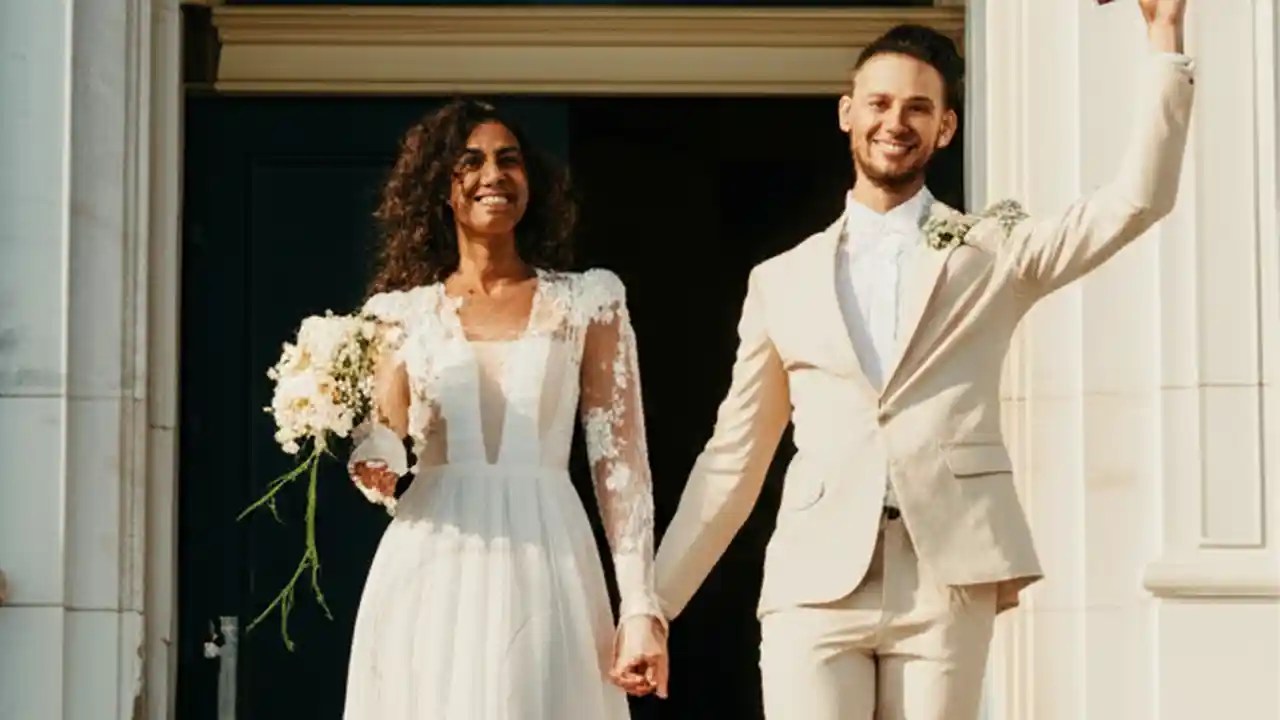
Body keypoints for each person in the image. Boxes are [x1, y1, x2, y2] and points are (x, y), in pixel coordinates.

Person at [653, 2, 1193, 718]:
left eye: (917, 107)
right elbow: (734, 458)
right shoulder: (780, 279)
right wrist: (652, 605)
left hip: (945, 569)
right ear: (847, 113)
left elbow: (1135, 202)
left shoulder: (994, 249)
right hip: (814, 580)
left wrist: (1163, 41)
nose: (894, 122)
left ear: (946, 127)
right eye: (878, 103)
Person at [341, 99, 669, 719]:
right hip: (433, 555)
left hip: (547, 553)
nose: (493, 174)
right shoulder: (399, 314)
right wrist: (374, 461)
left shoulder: (590, 301)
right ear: (442, 187)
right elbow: (384, 432)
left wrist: (640, 607)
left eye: (508, 159)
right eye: (471, 161)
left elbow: (621, 468)